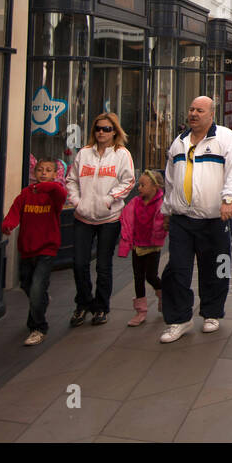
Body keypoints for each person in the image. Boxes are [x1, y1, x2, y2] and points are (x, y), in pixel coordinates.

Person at [158, 96, 232, 344]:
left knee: (218, 267)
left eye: (200, 110)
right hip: (182, 220)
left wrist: (229, 198)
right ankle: (179, 320)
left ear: (211, 114)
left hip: (215, 219)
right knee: (177, 269)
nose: (193, 114)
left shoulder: (225, 138)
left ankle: (212, 313)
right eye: (191, 109)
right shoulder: (179, 143)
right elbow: (170, 181)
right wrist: (167, 211)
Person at [65, 112, 135, 327]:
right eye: (98, 129)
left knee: (103, 266)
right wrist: (77, 201)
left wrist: (109, 200)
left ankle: (101, 307)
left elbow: (128, 181)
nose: (102, 133)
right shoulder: (84, 154)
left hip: (109, 219)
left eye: (107, 129)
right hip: (83, 217)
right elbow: (71, 180)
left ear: (115, 131)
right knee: (79, 263)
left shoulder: (122, 154)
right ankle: (84, 303)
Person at [1, 159, 67, 345]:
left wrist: (48, 186)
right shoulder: (26, 194)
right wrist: (8, 225)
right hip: (27, 249)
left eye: (48, 170)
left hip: (47, 249)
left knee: (37, 288)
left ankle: (38, 327)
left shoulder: (53, 195)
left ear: (55, 174)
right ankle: (42, 300)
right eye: (40, 170)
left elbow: (61, 193)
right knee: (26, 284)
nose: (43, 173)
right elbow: (15, 212)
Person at [116, 170, 167, 327]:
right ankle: (141, 311)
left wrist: (160, 232)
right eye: (139, 185)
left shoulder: (161, 204)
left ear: (155, 187)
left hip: (153, 247)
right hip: (138, 245)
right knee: (138, 277)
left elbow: (163, 223)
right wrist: (126, 244)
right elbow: (126, 221)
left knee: (151, 276)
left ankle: (163, 296)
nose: (139, 188)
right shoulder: (135, 202)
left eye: (143, 185)